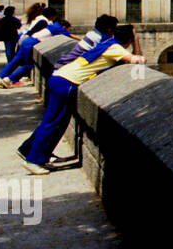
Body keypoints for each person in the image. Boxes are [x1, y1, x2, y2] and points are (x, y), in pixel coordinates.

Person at [18, 24, 144, 173]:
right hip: (67, 82)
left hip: (61, 77)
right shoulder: (115, 49)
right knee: (54, 122)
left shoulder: (107, 43)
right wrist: (137, 41)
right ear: (128, 40)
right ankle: (33, 160)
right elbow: (138, 61)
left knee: (54, 120)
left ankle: (29, 150)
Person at [0, 7, 72, 88]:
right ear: (51, 16)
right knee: (29, 64)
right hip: (31, 42)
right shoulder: (45, 22)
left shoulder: (38, 19)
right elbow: (67, 34)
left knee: (15, 60)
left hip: (25, 39)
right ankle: (9, 79)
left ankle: (0, 78)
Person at [53, 15, 118, 69]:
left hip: (62, 64)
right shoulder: (99, 39)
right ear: (109, 30)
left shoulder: (91, 33)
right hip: (65, 67)